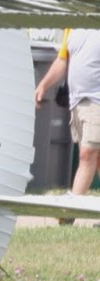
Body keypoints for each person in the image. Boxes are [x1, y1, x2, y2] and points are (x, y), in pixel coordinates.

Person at [34, 28, 100, 206]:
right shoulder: (73, 25)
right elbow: (63, 60)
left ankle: (69, 212)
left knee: (87, 154)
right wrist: (43, 85)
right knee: (96, 157)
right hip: (76, 102)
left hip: (97, 102)